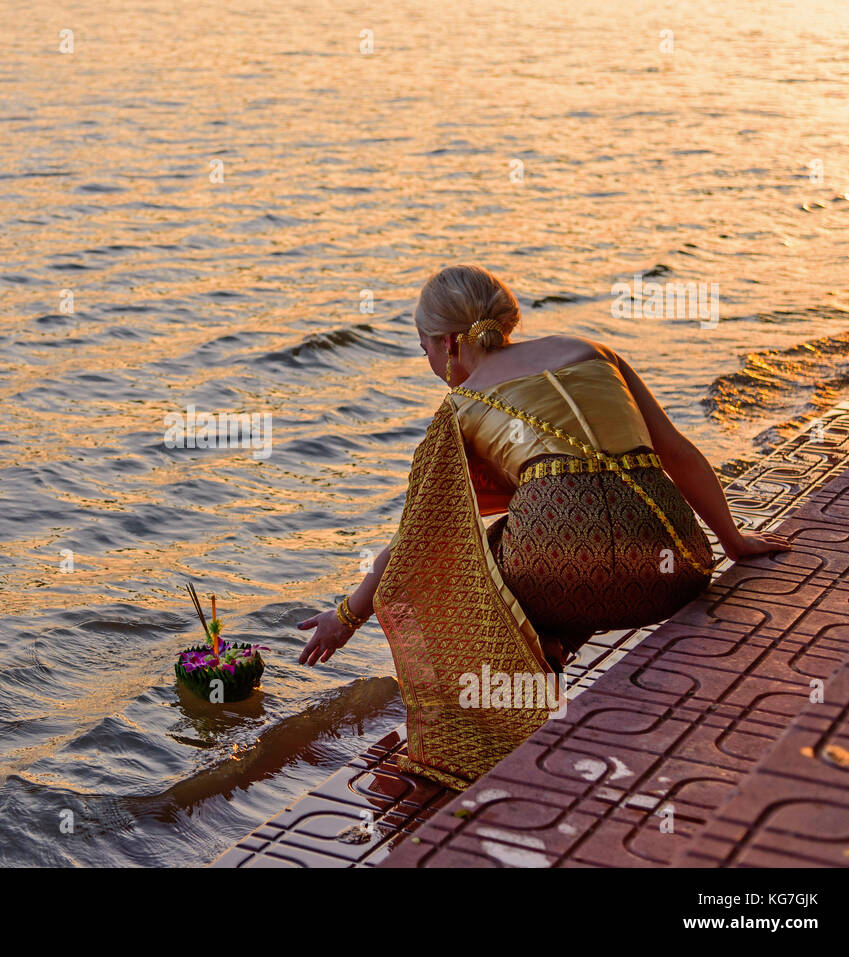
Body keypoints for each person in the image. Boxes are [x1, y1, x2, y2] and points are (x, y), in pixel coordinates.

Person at [297, 265, 790, 788]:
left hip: (563, 588)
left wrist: (348, 615)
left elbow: (416, 541)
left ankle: (496, 727)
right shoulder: (596, 353)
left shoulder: (461, 408)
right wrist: (732, 541)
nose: (428, 363)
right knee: (550, 540)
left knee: (462, 565)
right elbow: (678, 453)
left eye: (423, 350)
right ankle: (553, 646)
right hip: (678, 570)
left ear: (445, 343)